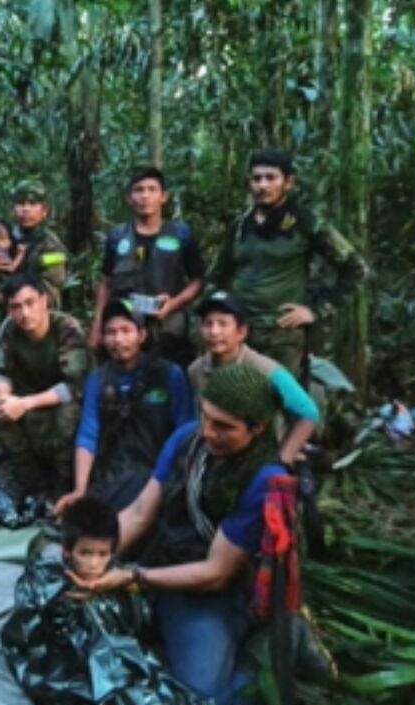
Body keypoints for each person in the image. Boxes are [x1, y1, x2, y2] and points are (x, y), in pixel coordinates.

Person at [67, 363, 285, 705]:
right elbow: (140, 513)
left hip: (210, 591)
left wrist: (133, 577)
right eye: (206, 417)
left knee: (203, 703)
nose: (209, 432)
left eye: (224, 426)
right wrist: (91, 554)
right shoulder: (187, 438)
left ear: (256, 428)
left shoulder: (263, 480)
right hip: (163, 559)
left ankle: (263, 653)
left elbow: (216, 573)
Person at [0, 496, 224, 705]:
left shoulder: (120, 579)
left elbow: (138, 626)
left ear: (112, 553)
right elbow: (26, 640)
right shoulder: (47, 583)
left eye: (102, 554)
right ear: (67, 550)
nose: (94, 563)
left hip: (123, 669)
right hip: (78, 676)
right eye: (85, 553)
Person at [209, 149, 367, 374]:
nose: (262, 185)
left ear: (289, 183)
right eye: (256, 179)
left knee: (279, 401)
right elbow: (217, 275)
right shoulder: (240, 225)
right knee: (233, 399)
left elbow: (356, 270)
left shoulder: (307, 222)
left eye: (271, 178)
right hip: (238, 332)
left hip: (281, 336)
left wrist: (315, 310)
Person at [56, 299, 194, 515]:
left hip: (157, 474)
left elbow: (185, 431)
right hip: (112, 473)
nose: (118, 339)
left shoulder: (169, 374)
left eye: (126, 330)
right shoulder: (98, 378)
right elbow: (88, 435)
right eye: (110, 332)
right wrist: (80, 488)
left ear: (141, 335)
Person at [0, 275, 90, 502]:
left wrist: (24, 404)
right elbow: (0, 373)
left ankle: (63, 486)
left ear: (44, 301)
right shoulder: (9, 330)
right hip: (28, 394)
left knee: (69, 412)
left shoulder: (66, 328)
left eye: (30, 303)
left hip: (62, 397)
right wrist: (5, 399)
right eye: (16, 307)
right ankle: (32, 484)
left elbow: (75, 386)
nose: (25, 313)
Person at [90, 167, 205, 367]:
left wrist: (174, 303)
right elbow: (106, 282)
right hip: (126, 330)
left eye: (152, 189)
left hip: (169, 328)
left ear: (164, 196)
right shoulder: (118, 236)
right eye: (139, 190)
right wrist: (98, 324)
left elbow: (198, 280)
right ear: (129, 197)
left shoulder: (181, 234)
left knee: (171, 381)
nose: (145, 196)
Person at [189, 291, 320, 466]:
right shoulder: (196, 370)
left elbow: (309, 413)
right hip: (215, 454)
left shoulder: (266, 370)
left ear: (241, 332)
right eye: (208, 324)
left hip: (259, 457)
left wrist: (284, 457)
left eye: (223, 324)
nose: (214, 331)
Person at [0, 180, 70, 309]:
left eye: (33, 204)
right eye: (21, 203)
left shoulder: (51, 247)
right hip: (9, 320)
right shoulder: (5, 238)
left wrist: (7, 300)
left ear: (45, 211)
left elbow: (50, 294)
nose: (26, 209)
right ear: (13, 209)